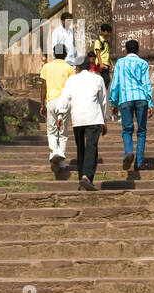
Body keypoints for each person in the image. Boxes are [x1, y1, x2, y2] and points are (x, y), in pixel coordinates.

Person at [59, 55, 108, 191]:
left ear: (77, 67)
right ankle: (86, 177)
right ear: (90, 66)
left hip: (78, 119)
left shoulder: (72, 80)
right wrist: (105, 120)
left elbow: (65, 99)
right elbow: (103, 101)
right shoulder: (98, 79)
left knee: (80, 149)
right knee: (91, 147)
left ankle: (82, 178)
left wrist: (60, 116)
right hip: (94, 118)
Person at [109, 38, 154, 174]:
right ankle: (139, 162)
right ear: (138, 50)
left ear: (126, 50)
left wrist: (113, 102)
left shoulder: (120, 63)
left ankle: (128, 152)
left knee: (127, 130)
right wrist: (151, 103)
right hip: (141, 98)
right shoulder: (143, 63)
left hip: (125, 98)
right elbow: (147, 84)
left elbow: (116, 83)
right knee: (141, 131)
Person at [38, 43, 75, 175]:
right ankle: (61, 159)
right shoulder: (69, 68)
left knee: (52, 130)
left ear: (54, 53)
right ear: (65, 54)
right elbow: (72, 89)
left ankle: (54, 153)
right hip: (64, 103)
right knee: (63, 132)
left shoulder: (47, 67)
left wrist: (42, 104)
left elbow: (43, 86)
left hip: (51, 102)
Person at [93, 23, 113, 88]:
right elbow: (97, 53)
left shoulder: (106, 42)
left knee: (107, 80)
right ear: (103, 31)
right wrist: (101, 64)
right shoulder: (98, 41)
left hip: (106, 63)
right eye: (108, 32)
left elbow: (108, 53)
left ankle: (103, 94)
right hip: (101, 63)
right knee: (104, 80)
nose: (109, 34)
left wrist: (112, 64)